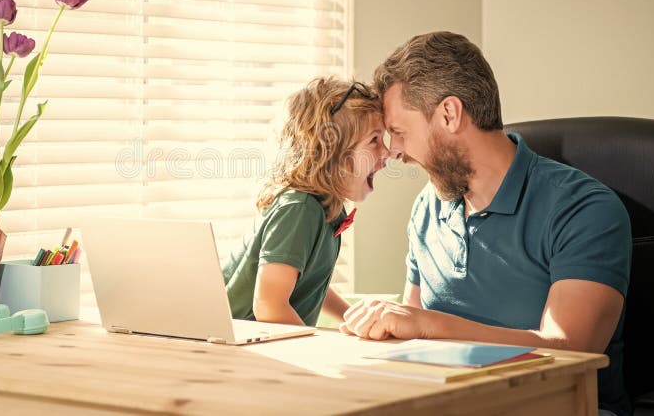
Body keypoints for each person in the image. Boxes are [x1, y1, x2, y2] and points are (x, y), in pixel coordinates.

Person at [340, 31, 632, 416]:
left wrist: (430, 325)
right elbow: (408, 341)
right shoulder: (427, 208)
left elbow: (569, 352)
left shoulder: (583, 208)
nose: (393, 151)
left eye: (398, 132)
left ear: (449, 113)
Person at [223, 77, 389, 327]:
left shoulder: (325, 209)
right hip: (241, 347)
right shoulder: (299, 209)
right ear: (331, 152)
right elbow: (269, 306)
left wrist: (352, 320)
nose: (386, 152)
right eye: (374, 140)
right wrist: (314, 350)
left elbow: (307, 282)